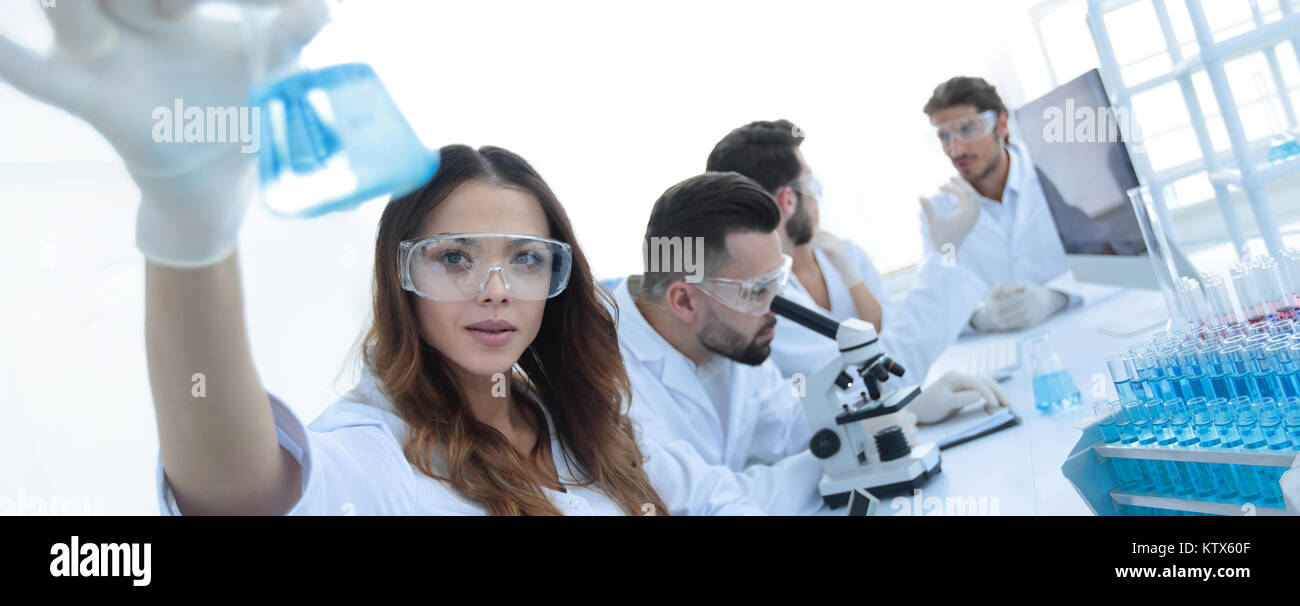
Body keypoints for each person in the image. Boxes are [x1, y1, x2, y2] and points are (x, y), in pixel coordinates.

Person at [0, 1, 763, 516]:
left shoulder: (586, 420)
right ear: (400, 277)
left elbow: (715, 499)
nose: (495, 289)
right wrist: (188, 230)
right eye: (454, 258)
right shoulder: (381, 455)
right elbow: (238, 495)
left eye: (528, 259)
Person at [613, 172, 1010, 515]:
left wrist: (883, 416)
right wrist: (838, 456)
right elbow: (705, 504)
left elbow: (786, 423)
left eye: (778, 281)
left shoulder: (725, 329)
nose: (778, 307)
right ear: (684, 300)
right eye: (758, 290)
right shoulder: (609, 379)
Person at [705, 119, 990, 381]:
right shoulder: (759, 300)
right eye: (809, 182)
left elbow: (889, 332)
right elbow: (875, 375)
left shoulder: (843, 254)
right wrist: (942, 255)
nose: (816, 195)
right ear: (787, 200)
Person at [921, 76, 1084, 333]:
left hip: (1078, 326)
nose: (956, 150)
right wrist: (979, 317)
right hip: (1002, 346)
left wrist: (1058, 296)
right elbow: (937, 302)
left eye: (967, 129)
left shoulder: (1055, 172)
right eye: (944, 136)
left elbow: (1115, 262)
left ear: (1001, 123)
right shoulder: (940, 211)